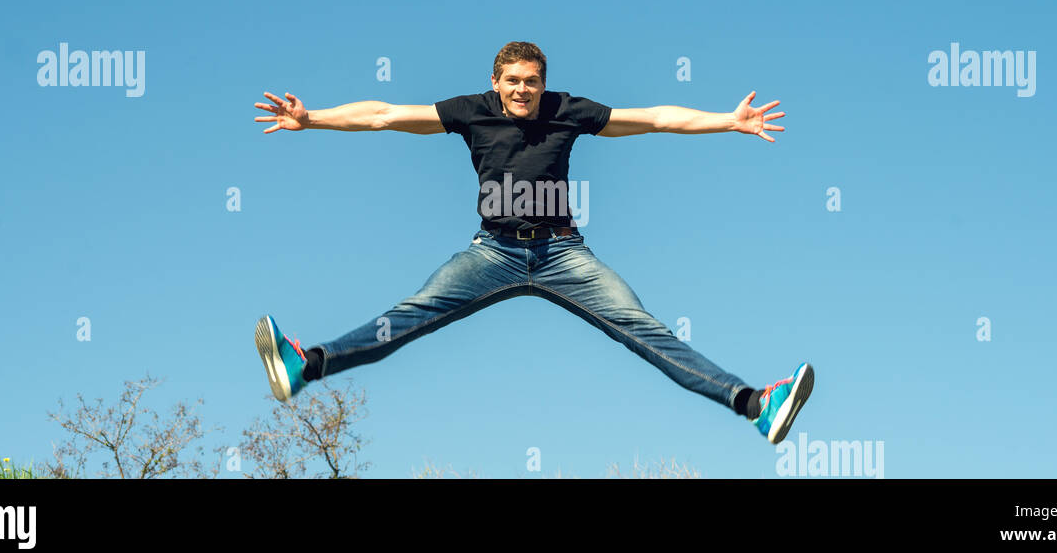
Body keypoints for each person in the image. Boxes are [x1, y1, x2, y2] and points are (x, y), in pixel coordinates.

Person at [250, 41, 813, 444]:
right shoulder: (471, 111)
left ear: (544, 84)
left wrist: (726, 120)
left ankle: (755, 405)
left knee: (644, 329)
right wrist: (313, 118)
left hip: (564, 254)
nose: (523, 90)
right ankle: (308, 365)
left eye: (533, 82)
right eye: (513, 81)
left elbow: (655, 118)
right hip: (491, 253)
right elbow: (384, 115)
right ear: (496, 83)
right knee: (410, 315)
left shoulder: (568, 111)